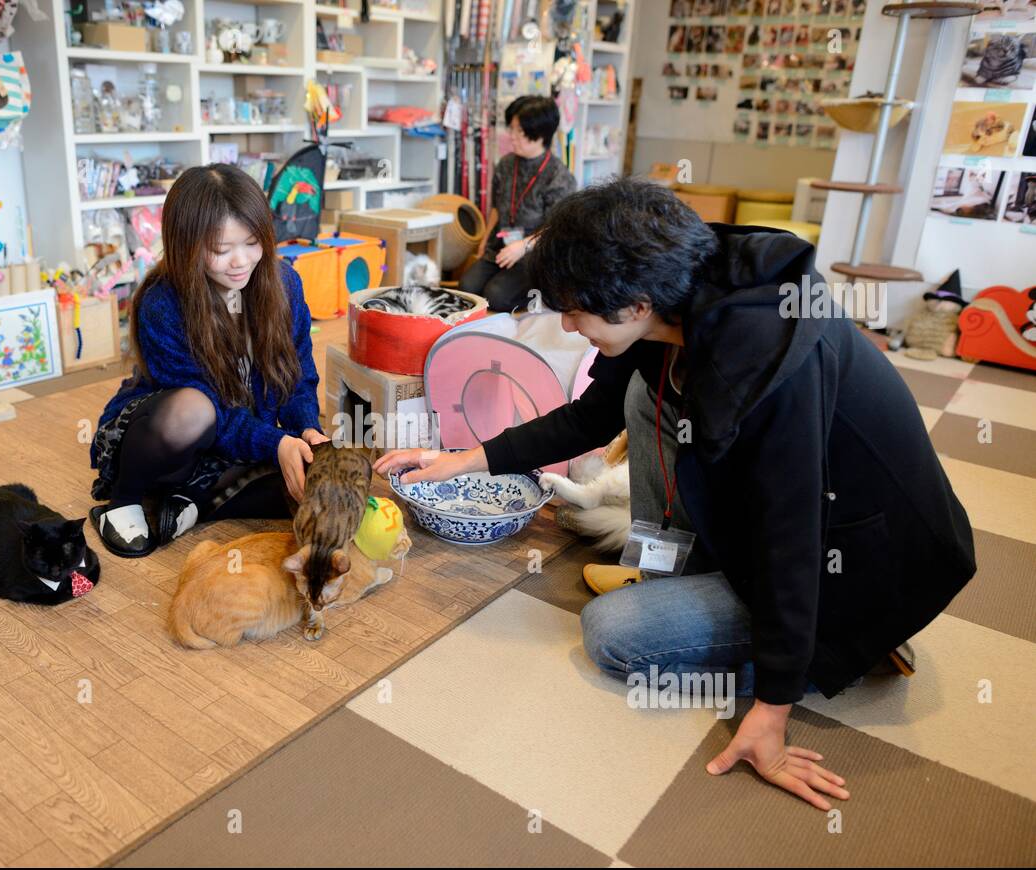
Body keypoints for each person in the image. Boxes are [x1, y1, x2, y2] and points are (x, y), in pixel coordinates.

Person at [377, 177, 976, 810]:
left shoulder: (769, 371)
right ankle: (687, 572)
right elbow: (589, 417)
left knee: (613, 635)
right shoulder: (680, 287)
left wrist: (772, 713)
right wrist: (463, 459)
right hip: (805, 525)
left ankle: (840, 651)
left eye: (575, 311)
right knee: (641, 394)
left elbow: (792, 540)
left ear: (635, 304)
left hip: (865, 566)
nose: (570, 325)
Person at [89, 164, 327, 558]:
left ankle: (197, 502)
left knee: (314, 490)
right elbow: (212, 409)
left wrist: (306, 431)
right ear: (187, 245)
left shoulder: (284, 283)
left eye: (252, 243)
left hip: (236, 439)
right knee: (194, 410)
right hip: (171, 438)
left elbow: (299, 374)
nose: (241, 261)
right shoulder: (163, 303)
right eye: (220, 250)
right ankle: (123, 500)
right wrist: (275, 442)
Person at [458, 96, 576, 312]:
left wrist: (523, 246)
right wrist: (484, 240)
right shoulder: (506, 164)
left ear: (540, 134)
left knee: (496, 296)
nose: (511, 136)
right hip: (500, 246)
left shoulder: (559, 177)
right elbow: (496, 207)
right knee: (467, 289)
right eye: (511, 128)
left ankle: (543, 292)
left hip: (533, 254)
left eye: (519, 131)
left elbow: (556, 230)